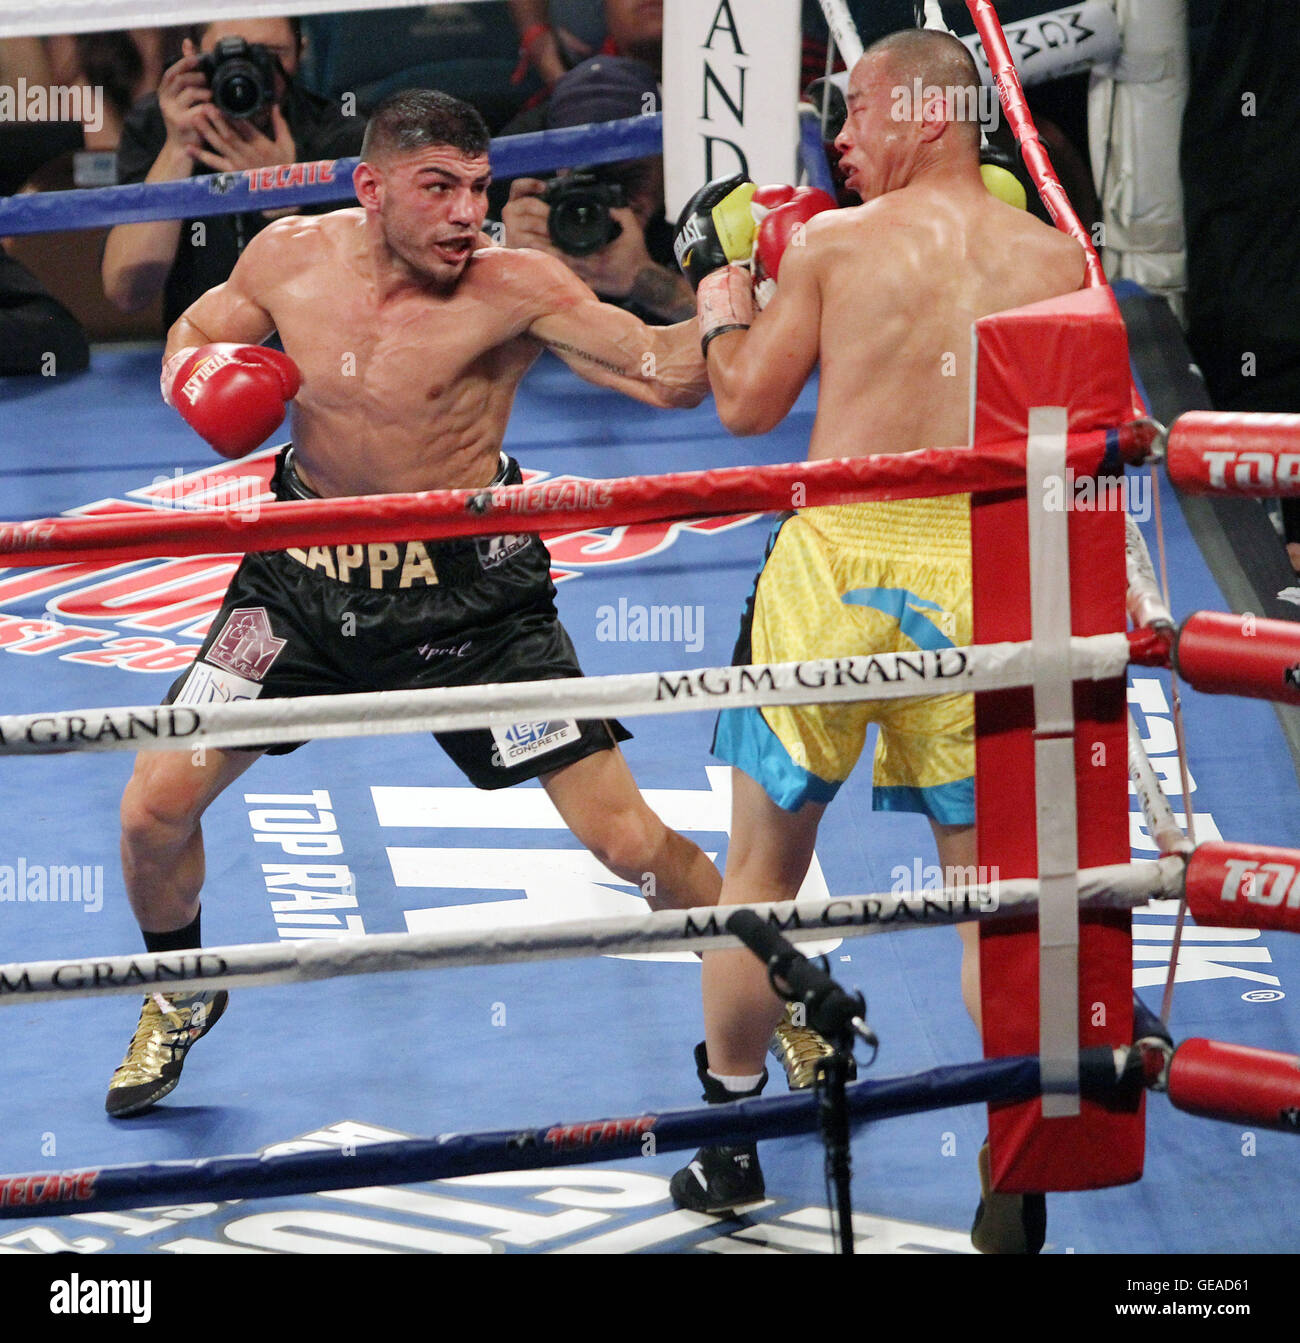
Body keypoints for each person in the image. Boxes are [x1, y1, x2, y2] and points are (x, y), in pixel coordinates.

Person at [106, 88, 721, 1119]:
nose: (463, 216)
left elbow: (667, 379)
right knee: (151, 809)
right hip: (302, 581)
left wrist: (712, 292)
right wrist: (196, 377)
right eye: (438, 188)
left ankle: (771, 974)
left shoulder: (515, 283)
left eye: (477, 190)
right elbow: (190, 327)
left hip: (473, 604)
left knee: (626, 843)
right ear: (371, 187)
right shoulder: (289, 259)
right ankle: (181, 981)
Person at [667, 28, 1086, 1253]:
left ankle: (730, 1141)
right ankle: (1014, 1160)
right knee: (985, 899)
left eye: (853, 118)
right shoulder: (1054, 256)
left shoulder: (840, 244)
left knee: (758, 871)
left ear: (920, 114)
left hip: (834, 557)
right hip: (977, 571)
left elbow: (744, 401)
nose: (838, 144)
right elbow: (1074, 443)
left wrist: (714, 280)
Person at [102, 16, 363, 328]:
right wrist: (178, 149)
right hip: (199, 358)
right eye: (230, 55)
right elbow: (127, 292)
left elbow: (359, 300)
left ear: (300, 52)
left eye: (271, 55)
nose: (248, 72)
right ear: (191, 54)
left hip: (311, 352)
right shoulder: (155, 127)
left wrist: (290, 196)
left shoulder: (341, 138)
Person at [502, 55, 693, 324]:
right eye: (587, 175)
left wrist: (643, 279)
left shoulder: (701, 216)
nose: (615, 198)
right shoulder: (534, 209)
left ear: (665, 161)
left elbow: (757, 339)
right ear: (557, 170)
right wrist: (509, 270)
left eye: (630, 174)